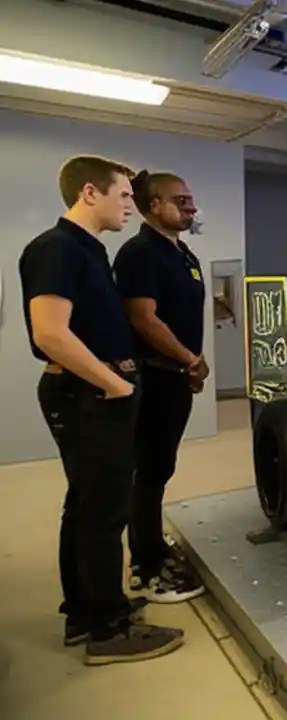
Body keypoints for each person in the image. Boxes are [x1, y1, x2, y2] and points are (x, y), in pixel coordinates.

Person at [20, 154, 184, 664]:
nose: (131, 207)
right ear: (89, 193)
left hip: (91, 394)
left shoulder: (87, 250)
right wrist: (114, 383)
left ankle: (87, 612)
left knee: (87, 506)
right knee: (103, 513)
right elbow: (49, 333)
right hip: (86, 397)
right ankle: (109, 632)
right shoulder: (57, 248)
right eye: (123, 197)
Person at [113, 170, 208, 604]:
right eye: (181, 201)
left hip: (175, 376)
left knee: (161, 466)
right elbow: (143, 318)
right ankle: (145, 567)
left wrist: (187, 365)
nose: (190, 208)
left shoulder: (182, 252)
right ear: (153, 205)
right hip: (153, 376)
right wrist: (190, 359)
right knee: (149, 471)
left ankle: (151, 545)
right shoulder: (139, 253)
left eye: (190, 201)